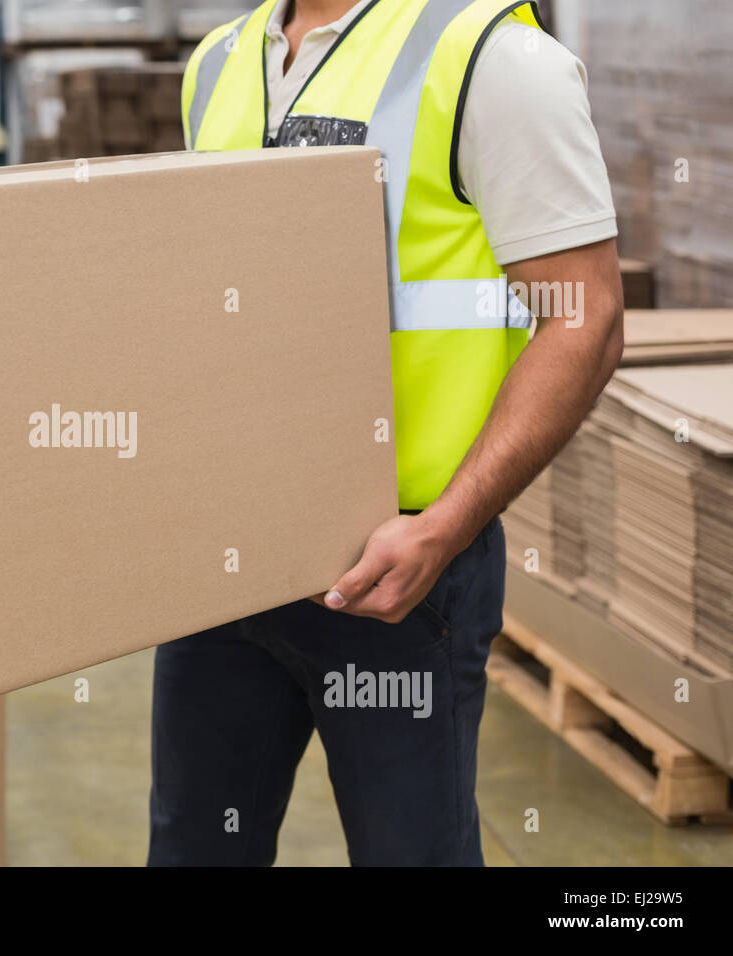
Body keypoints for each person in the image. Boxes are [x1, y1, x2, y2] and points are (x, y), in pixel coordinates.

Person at [150, 0, 624, 865]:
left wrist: (443, 528)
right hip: (222, 568)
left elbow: (584, 319)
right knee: (192, 847)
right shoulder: (219, 61)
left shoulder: (490, 59)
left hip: (402, 569)